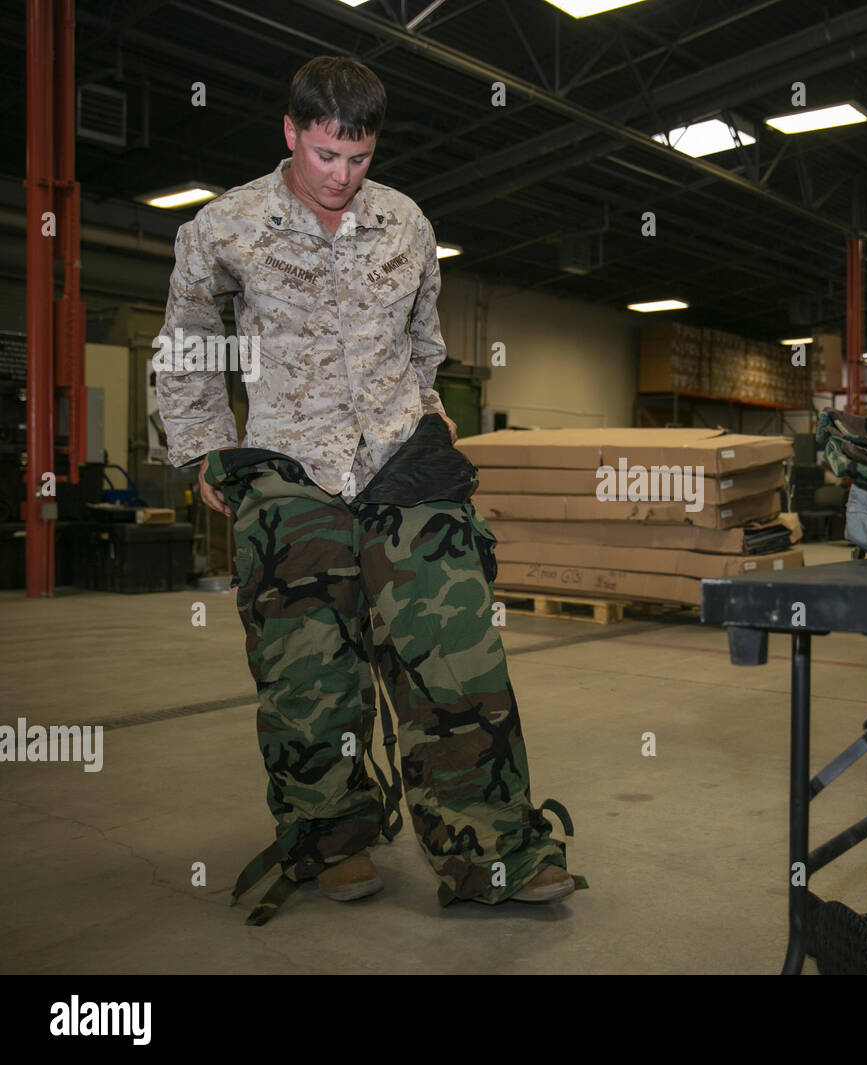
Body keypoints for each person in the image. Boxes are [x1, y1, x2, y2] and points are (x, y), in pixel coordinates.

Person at [155, 56, 580, 924]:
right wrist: (203, 449)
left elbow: (424, 341)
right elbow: (188, 343)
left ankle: (492, 850)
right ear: (292, 133)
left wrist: (427, 405)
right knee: (306, 667)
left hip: (397, 456)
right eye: (324, 157)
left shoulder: (406, 222)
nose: (342, 178)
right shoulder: (224, 226)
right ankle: (329, 840)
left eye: (357, 158)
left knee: (457, 646)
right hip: (288, 459)